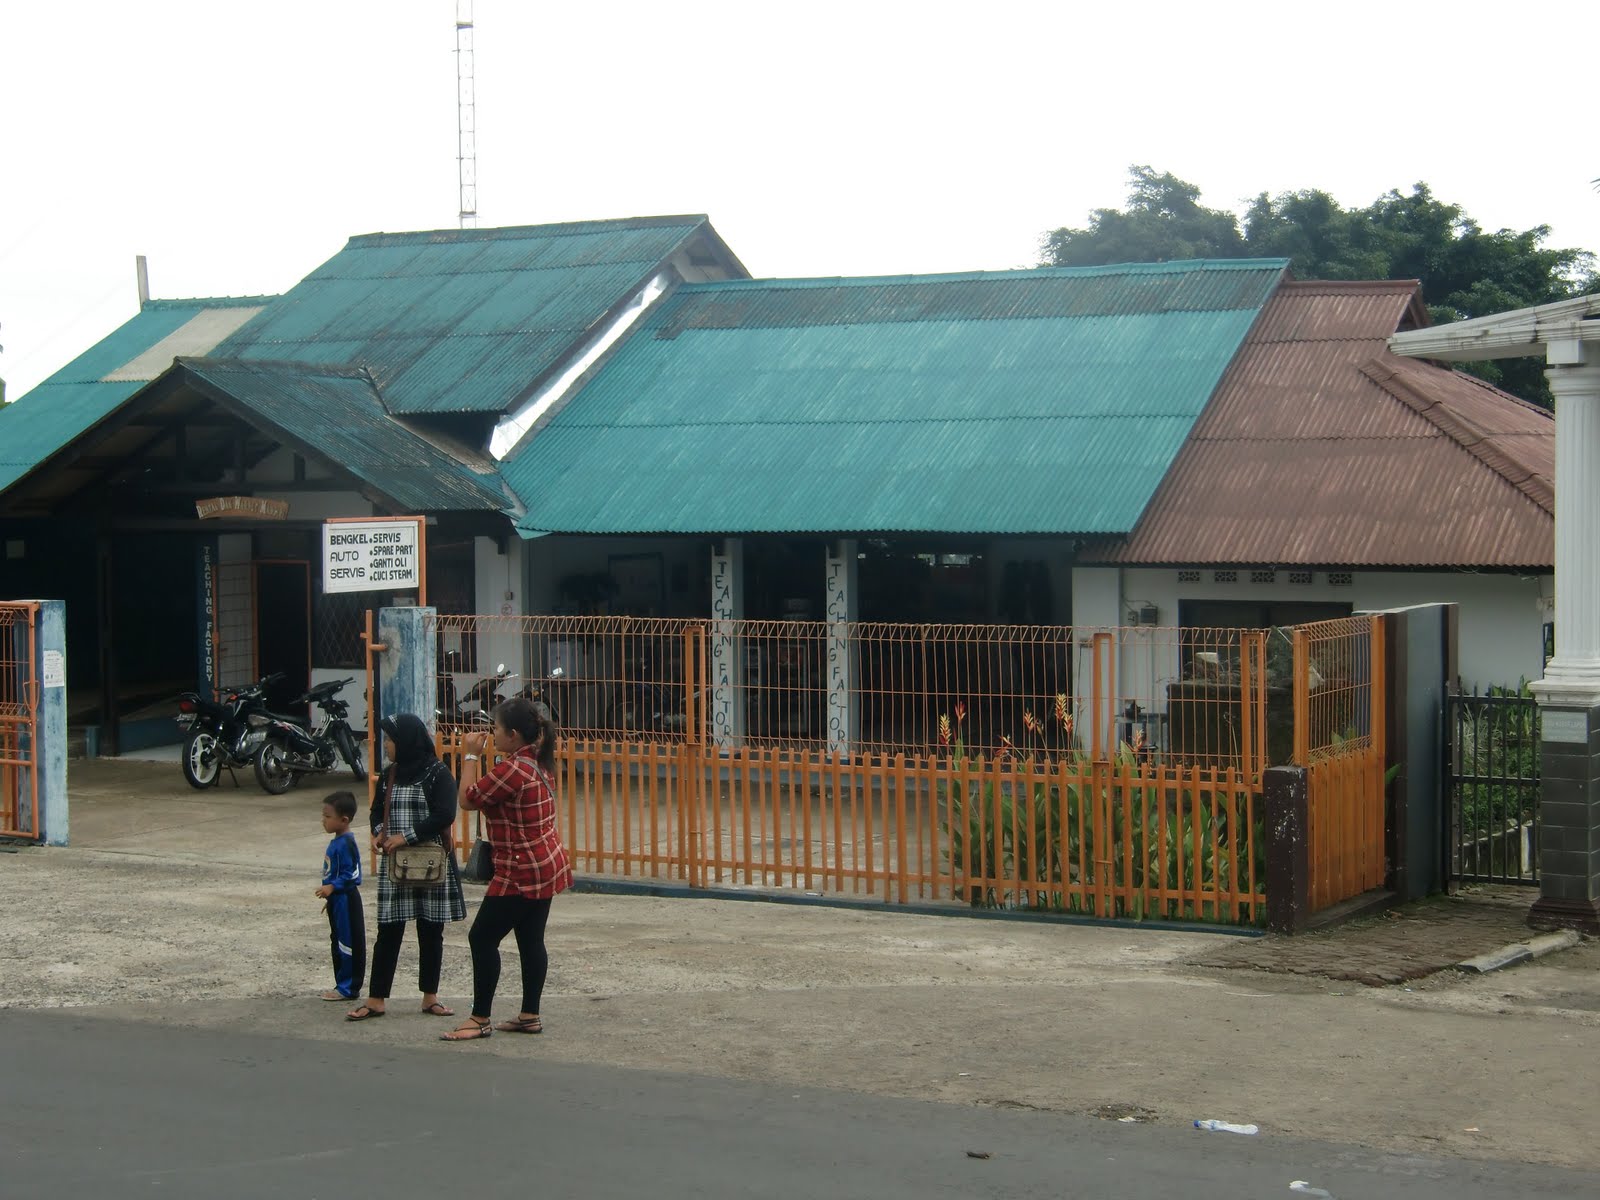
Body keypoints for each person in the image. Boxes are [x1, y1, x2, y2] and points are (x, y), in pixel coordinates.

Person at [441, 696, 572, 1042]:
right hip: (545, 863)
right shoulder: (538, 762)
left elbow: (467, 799)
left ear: (513, 734)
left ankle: (479, 1018)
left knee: (481, 937)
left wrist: (470, 755)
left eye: (496, 728)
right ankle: (530, 1015)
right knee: (531, 939)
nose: (492, 734)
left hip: (520, 868)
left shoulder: (513, 770)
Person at [345, 713, 466, 1022]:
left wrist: (406, 837)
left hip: (429, 863)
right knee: (388, 931)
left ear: (406, 741)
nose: (385, 745)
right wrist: (378, 833)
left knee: (431, 931)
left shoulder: (438, 773)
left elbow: (444, 814)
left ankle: (430, 997)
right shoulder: (390, 774)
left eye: (390, 739)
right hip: (396, 865)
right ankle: (376, 999)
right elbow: (376, 811)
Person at [316, 791, 365, 1002]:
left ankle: (349, 987)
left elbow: (353, 873)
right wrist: (331, 898)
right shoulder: (336, 842)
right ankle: (341, 983)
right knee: (336, 940)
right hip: (337, 900)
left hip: (346, 900)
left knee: (348, 942)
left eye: (328, 816)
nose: (323, 820)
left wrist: (333, 887)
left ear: (344, 820)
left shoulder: (347, 843)